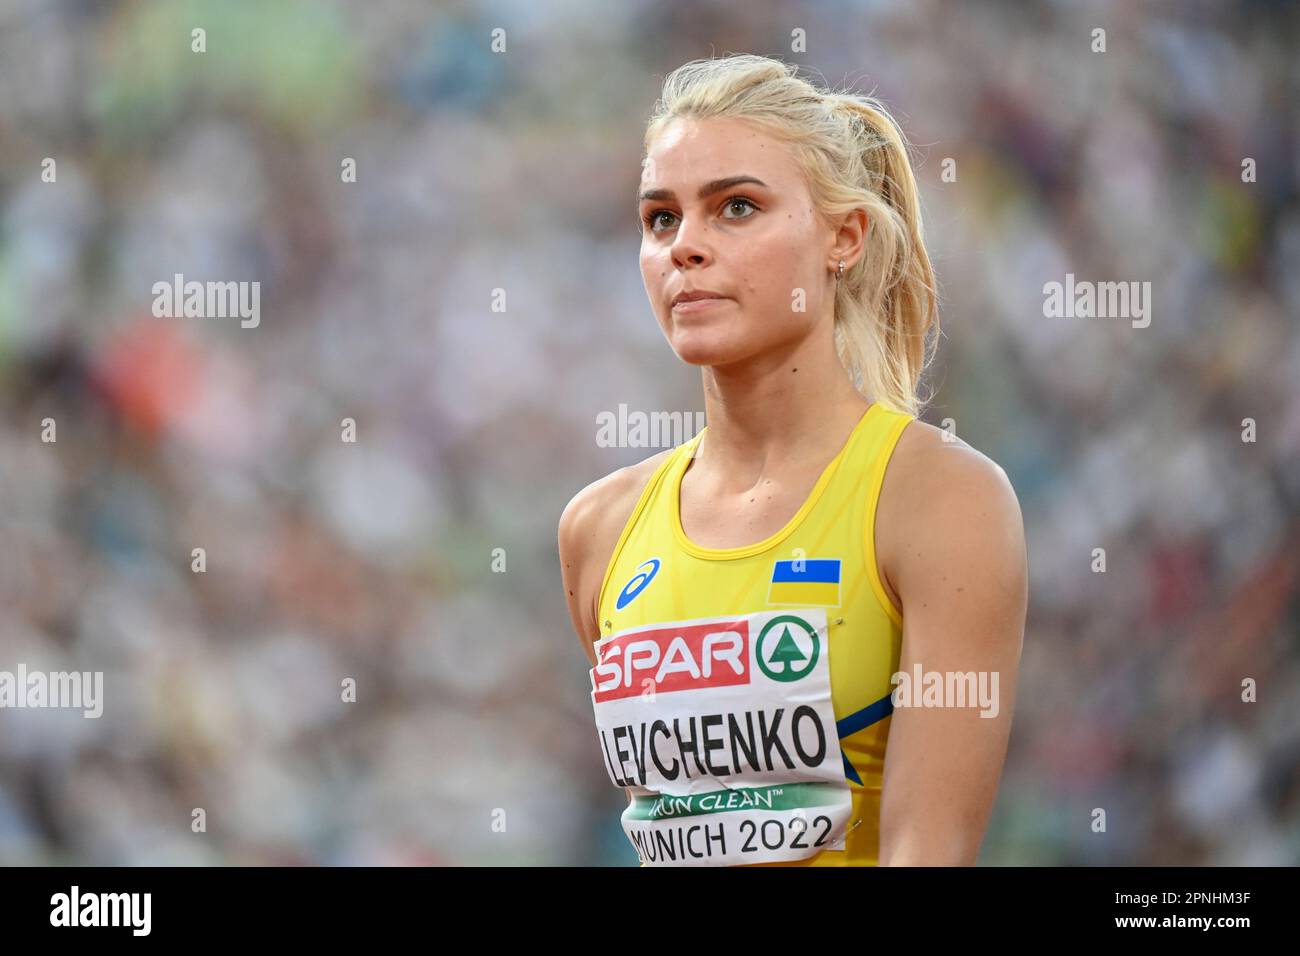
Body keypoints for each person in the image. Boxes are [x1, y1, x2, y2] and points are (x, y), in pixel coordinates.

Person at [558, 54, 1027, 866]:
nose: (685, 248)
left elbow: (929, 852)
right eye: (660, 218)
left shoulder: (940, 499)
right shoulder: (598, 528)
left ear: (842, 237)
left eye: (735, 207)